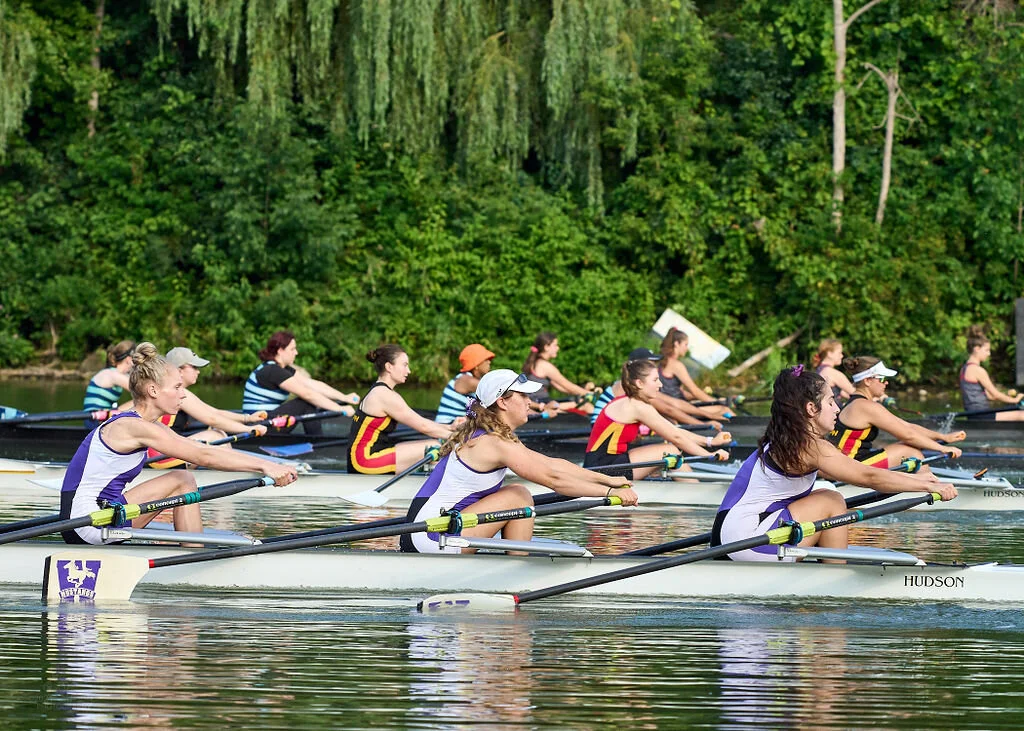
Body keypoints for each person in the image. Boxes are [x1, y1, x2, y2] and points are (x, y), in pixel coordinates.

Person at [711, 365, 956, 561]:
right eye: (830, 402)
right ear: (810, 408)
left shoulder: (786, 437)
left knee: (824, 491)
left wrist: (917, 480)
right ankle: (836, 572)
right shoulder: (809, 446)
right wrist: (926, 486)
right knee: (831, 499)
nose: (837, 409)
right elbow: (868, 477)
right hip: (746, 541)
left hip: (731, 537)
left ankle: (830, 561)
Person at [60, 343, 297, 546]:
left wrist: (266, 464)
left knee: (182, 480)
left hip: (106, 512)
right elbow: (202, 455)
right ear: (153, 390)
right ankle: (192, 556)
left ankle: (191, 549)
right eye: (176, 388)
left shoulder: (151, 425)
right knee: (181, 480)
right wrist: (266, 467)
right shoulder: (132, 427)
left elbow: (204, 451)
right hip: (85, 522)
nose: (182, 395)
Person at [400, 369, 639, 554]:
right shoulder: (494, 444)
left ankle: (517, 557)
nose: (530, 402)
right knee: (518, 495)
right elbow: (554, 479)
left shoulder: (498, 437)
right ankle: (518, 566)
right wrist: (608, 493)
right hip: (429, 537)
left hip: (434, 530)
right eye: (523, 395)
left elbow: (553, 464)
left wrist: (608, 480)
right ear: (502, 402)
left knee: (517, 493)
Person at [583, 358, 731, 481]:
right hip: (602, 468)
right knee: (670, 450)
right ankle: (696, 493)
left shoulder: (633, 402)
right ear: (639, 383)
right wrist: (709, 455)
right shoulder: (638, 407)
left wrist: (711, 441)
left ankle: (692, 488)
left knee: (669, 449)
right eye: (655, 380)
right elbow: (676, 437)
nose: (660, 385)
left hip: (606, 462)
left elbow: (673, 430)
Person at [829, 356, 964, 472]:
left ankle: (925, 481)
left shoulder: (857, 403)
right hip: (848, 468)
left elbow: (908, 427)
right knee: (910, 451)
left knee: (911, 447)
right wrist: (941, 448)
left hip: (846, 464)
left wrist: (943, 437)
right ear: (867, 381)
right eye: (882, 379)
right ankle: (932, 486)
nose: (886, 383)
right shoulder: (865, 406)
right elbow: (908, 436)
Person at [349, 345, 454, 474]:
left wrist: (451, 428)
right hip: (364, 460)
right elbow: (423, 427)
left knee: (433, 445)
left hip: (375, 452)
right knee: (435, 447)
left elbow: (422, 422)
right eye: (404, 365)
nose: (408, 371)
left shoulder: (384, 391)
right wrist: (459, 437)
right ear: (389, 367)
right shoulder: (383, 395)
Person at [242, 330, 359, 434]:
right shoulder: (273, 371)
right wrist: (340, 409)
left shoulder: (281, 368)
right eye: (292, 349)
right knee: (306, 402)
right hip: (259, 427)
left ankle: (314, 438)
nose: (296, 352)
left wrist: (344, 397)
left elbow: (313, 384)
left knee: (309, 401)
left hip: (267, 422)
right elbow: (308, 394)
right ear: (280, 351)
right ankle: (316, 441)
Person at [591, 348, 724, 431]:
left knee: (670, 421)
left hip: (614, 428)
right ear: (640, 367)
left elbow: (673, 403)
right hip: (602, 431)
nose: (655, 366)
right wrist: (703, 425)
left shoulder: (633, 382)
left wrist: (709, 416)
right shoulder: (631, 386)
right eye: (651, 363)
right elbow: (669, 408)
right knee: (669, 423)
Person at [159, 347, 271, 442]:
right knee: (215, 435)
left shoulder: (181, 392)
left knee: (219, 433)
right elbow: (211, 419)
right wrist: (248, 429)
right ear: (179, 370)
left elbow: (214, 412)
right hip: (162, 454)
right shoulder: (176, 393)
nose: (198, 371)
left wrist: (248, 418)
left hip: (171, 444)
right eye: (194, 367)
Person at [658, 328, 733, 420]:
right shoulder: (676, 365)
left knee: (704, 401)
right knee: (725, 409)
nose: (687, 348)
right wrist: (718, 402)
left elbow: (676, 391)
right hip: (680, 409)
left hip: (672, 406)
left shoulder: (660, 362)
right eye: (685, 344)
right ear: (676, 344)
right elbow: (694, 390)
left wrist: (697, 396)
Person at [522, 332, 601, 413]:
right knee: (586, 406)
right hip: (541, 404)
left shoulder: (536, 362)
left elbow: (561, 387)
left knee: (579, 401)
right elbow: (567, 385)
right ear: (546, 347)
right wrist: (591, 394)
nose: (558, 348)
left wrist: (583, 391)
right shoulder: (544, 365)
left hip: (539, 401)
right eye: (555, 345)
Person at [960, 326, 1024, 421]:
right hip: (981, 415)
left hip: (974, 414)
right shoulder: (977, 370)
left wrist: (1007, 395)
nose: (989, 353)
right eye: (986, 350)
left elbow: (990, 396)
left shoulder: (964, 369)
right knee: (1022, 415)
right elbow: (995, 394)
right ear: (977, 349)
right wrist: (1015, 400)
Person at [435, 344, 495, 425]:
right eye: (486, 359)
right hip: (447, 428)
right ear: (476, 365)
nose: (489, 362)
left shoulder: (472, 379)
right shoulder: (466, 380)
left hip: (459, 427)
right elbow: (493, 389)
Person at [81, 340, 135, 428]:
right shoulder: (114, 375)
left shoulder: (116, 374)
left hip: (98, 418)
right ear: (129, 359)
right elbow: (142, 391)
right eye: (136, 358)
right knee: (143, 400)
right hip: (94, 420)